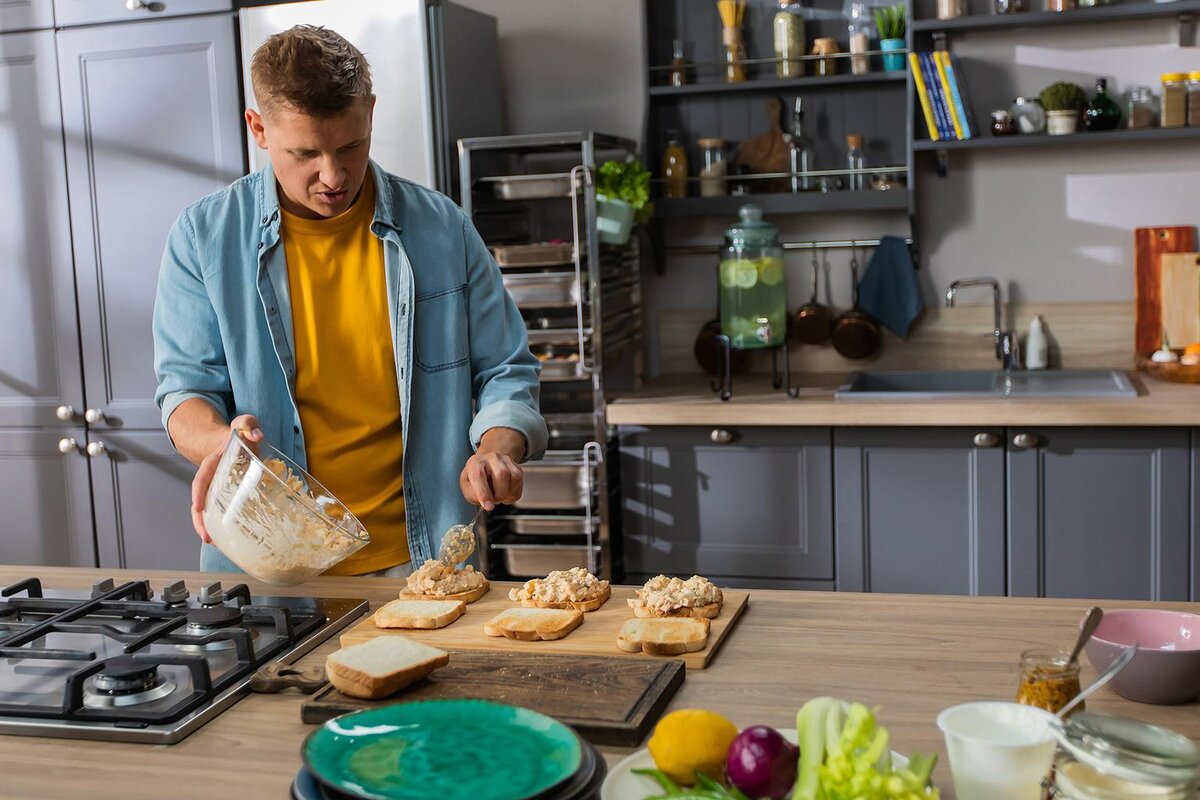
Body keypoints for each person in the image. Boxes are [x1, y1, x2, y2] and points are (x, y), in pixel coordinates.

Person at [152, 25, 546, 578]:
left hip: (423, 563)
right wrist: (223, 444)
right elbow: (184, 392)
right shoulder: (203, 237)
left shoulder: (442, 228)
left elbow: (506, 368)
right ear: (258, 129)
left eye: (350, 147)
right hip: (266, 568)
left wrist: (497, 448)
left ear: (371, 116)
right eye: (305, 153)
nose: (333, 176)